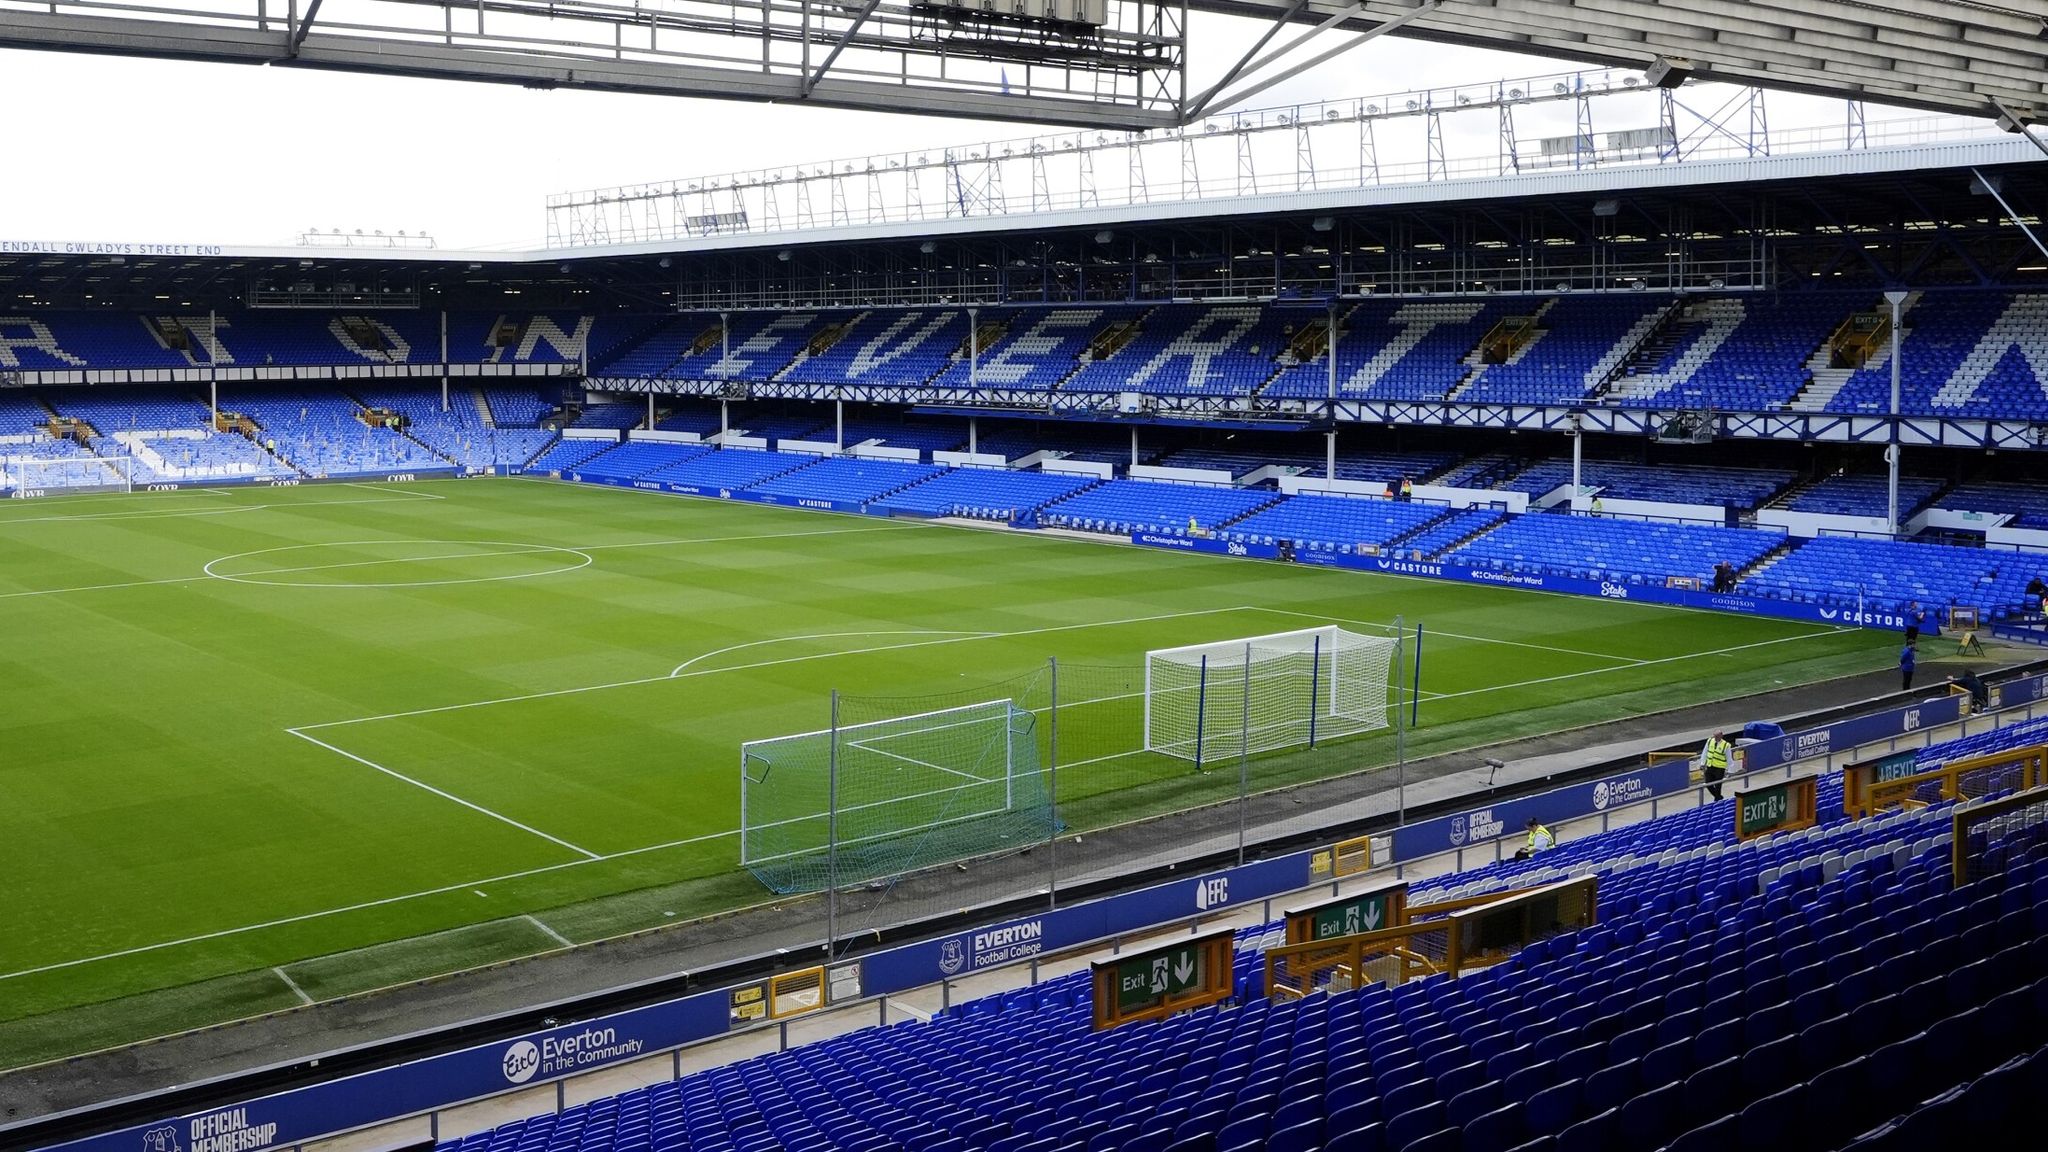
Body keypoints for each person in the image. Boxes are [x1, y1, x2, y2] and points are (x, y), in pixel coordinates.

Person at [1699, 730, 1732, 801]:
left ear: (1721, 736)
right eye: (1714, 736)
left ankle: (1717, 800)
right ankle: (1719, 798)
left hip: (1719, 768)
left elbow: (1729, 759)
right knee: (1708, 784)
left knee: (1718, 786)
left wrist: (1729, 771)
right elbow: (1705, 752)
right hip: (1710, 766)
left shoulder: (1726, 745)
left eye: (1717, 736)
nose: (1715, 738)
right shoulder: (1710, 741)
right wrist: (1702, 763)